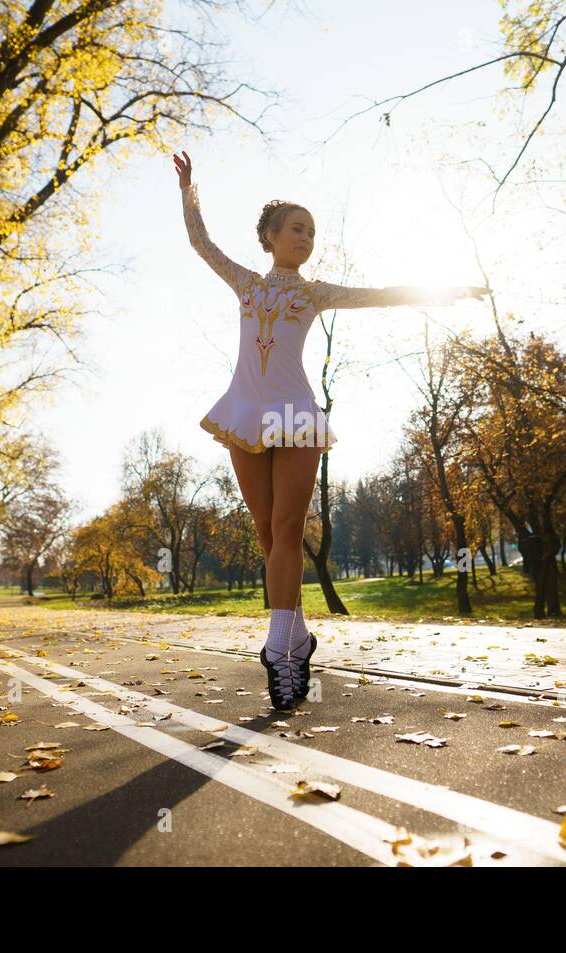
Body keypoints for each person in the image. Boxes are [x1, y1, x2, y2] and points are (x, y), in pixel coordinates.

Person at [172, 150, 490, 711]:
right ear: (270, 236)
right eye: (297, 229)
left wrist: (449, 290)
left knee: (290, 528)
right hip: (245, 410)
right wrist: (189, 190)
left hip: (293, 413)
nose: (306, 238)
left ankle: (278, 651)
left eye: (312, 232)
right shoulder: (245, 282)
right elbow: (201, 244)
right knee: (267, 534)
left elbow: (382, 295)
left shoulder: (314, 292)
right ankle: (296, 635)